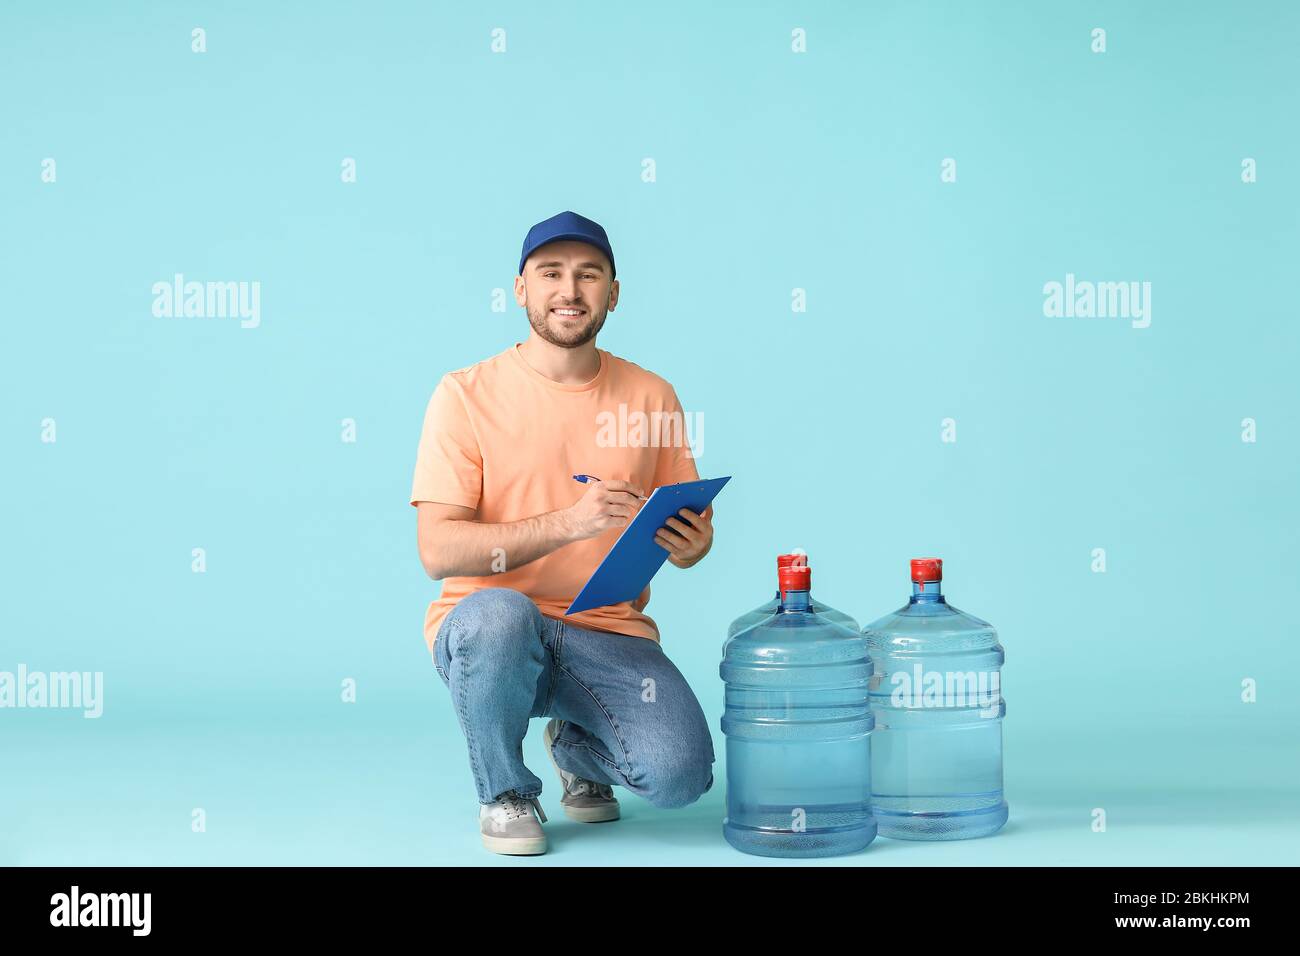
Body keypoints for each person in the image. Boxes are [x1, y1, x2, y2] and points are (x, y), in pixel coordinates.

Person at [410, 211, 716, 855]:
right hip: (490, 632)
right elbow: (437, 550)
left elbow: (686, 530)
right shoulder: (464, 395)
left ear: (613, 292)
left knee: (681, 777)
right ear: (520, 290)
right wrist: (570, 523)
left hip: (607, 629)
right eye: (550, 274)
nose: (569, 291)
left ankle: (577, 747)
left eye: (589, 275)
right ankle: (506, 794)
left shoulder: (652, 395)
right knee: (499, 614)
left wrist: (694, 547)